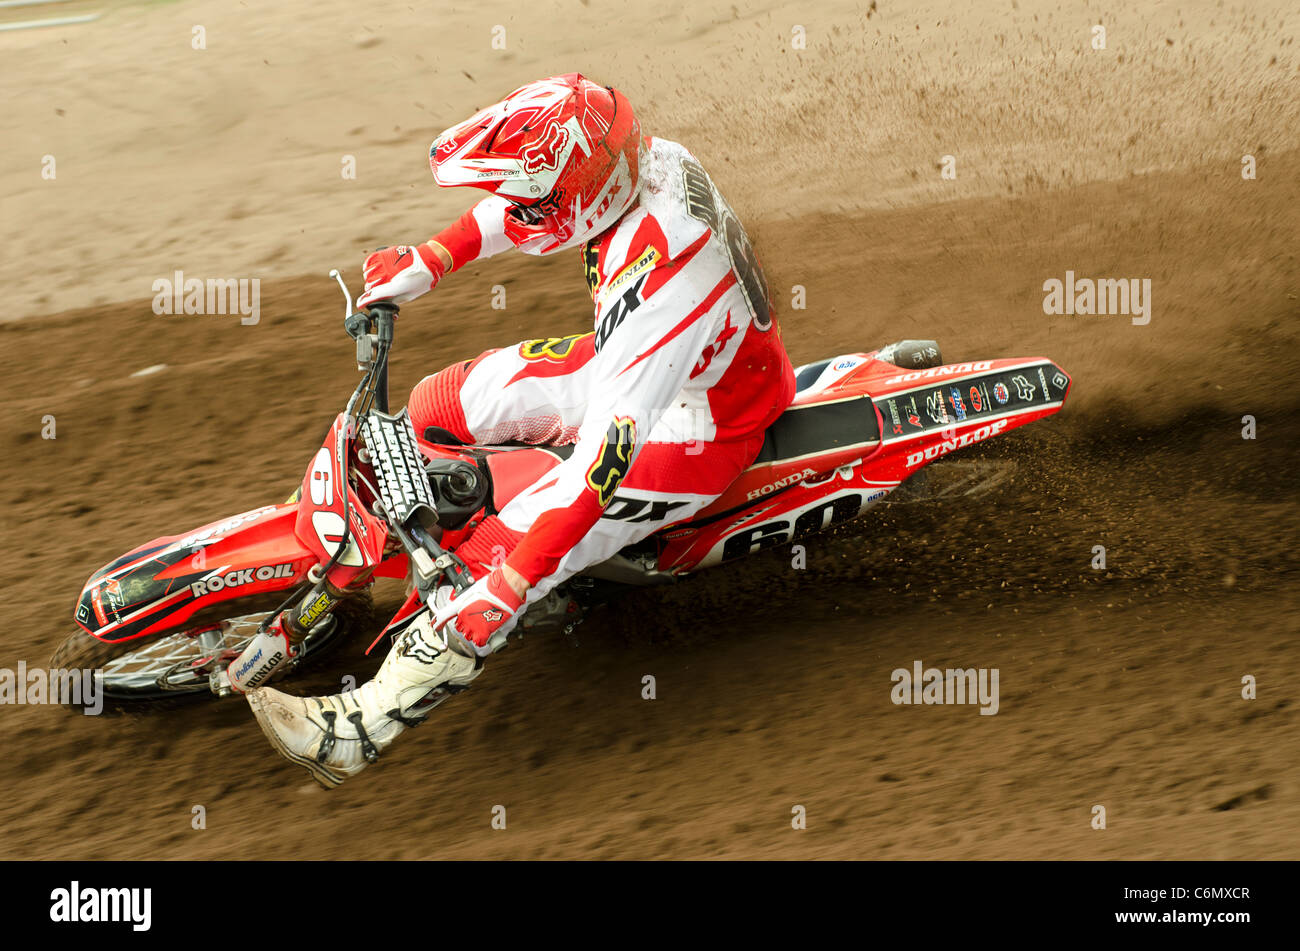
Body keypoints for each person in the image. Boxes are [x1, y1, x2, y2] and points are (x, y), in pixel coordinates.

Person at [246, 73, 795, 787]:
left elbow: (601, 471)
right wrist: (434, 257)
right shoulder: (641, 163)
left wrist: (508, 584)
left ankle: (361, 727)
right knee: (437, 401)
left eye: (534, 197)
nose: (521, 209)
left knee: (491, 558)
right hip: (676, 365)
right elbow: (537, 206)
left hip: (698, 427)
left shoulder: (663, 292)